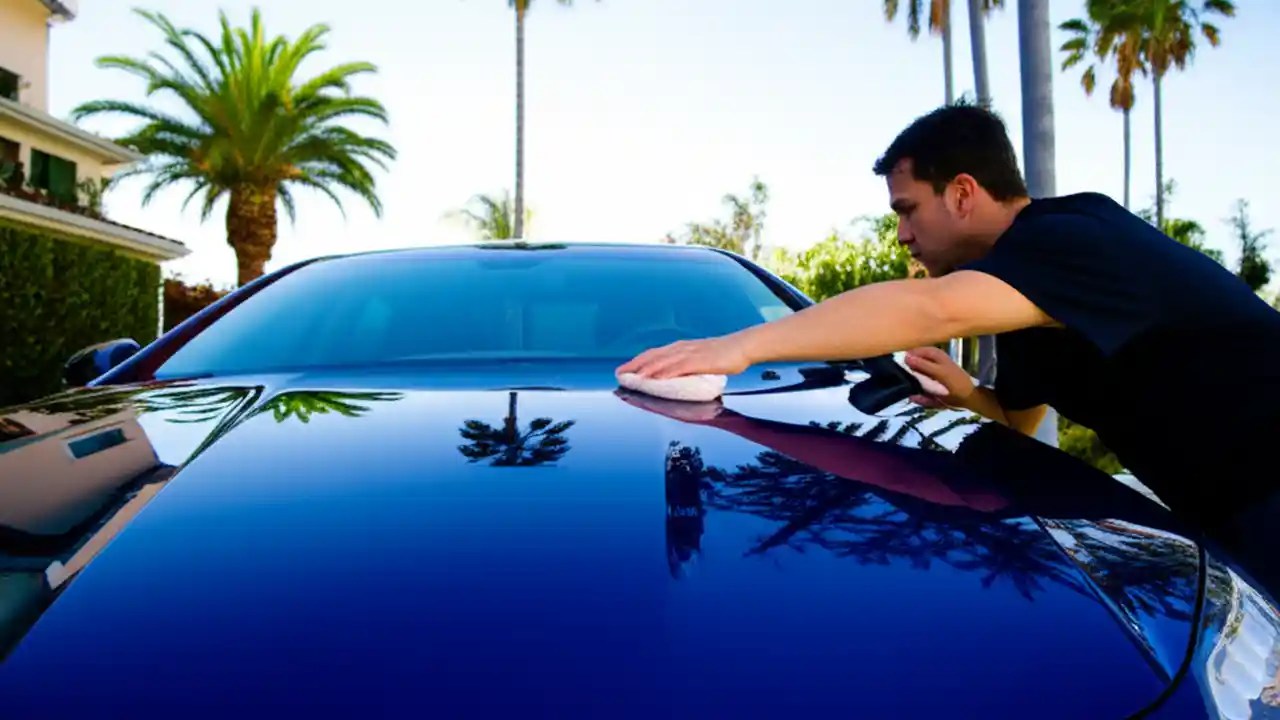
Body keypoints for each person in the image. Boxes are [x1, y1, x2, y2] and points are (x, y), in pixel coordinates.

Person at [617, 103, 1280, 599]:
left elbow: (931, 310)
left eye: (908, 210)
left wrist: (736, 349)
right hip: (1225, 516)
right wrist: (965, 394)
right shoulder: (1025, 302)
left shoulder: (1071, 239)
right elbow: (1019, 422)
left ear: (963, 192)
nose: (903, 235)